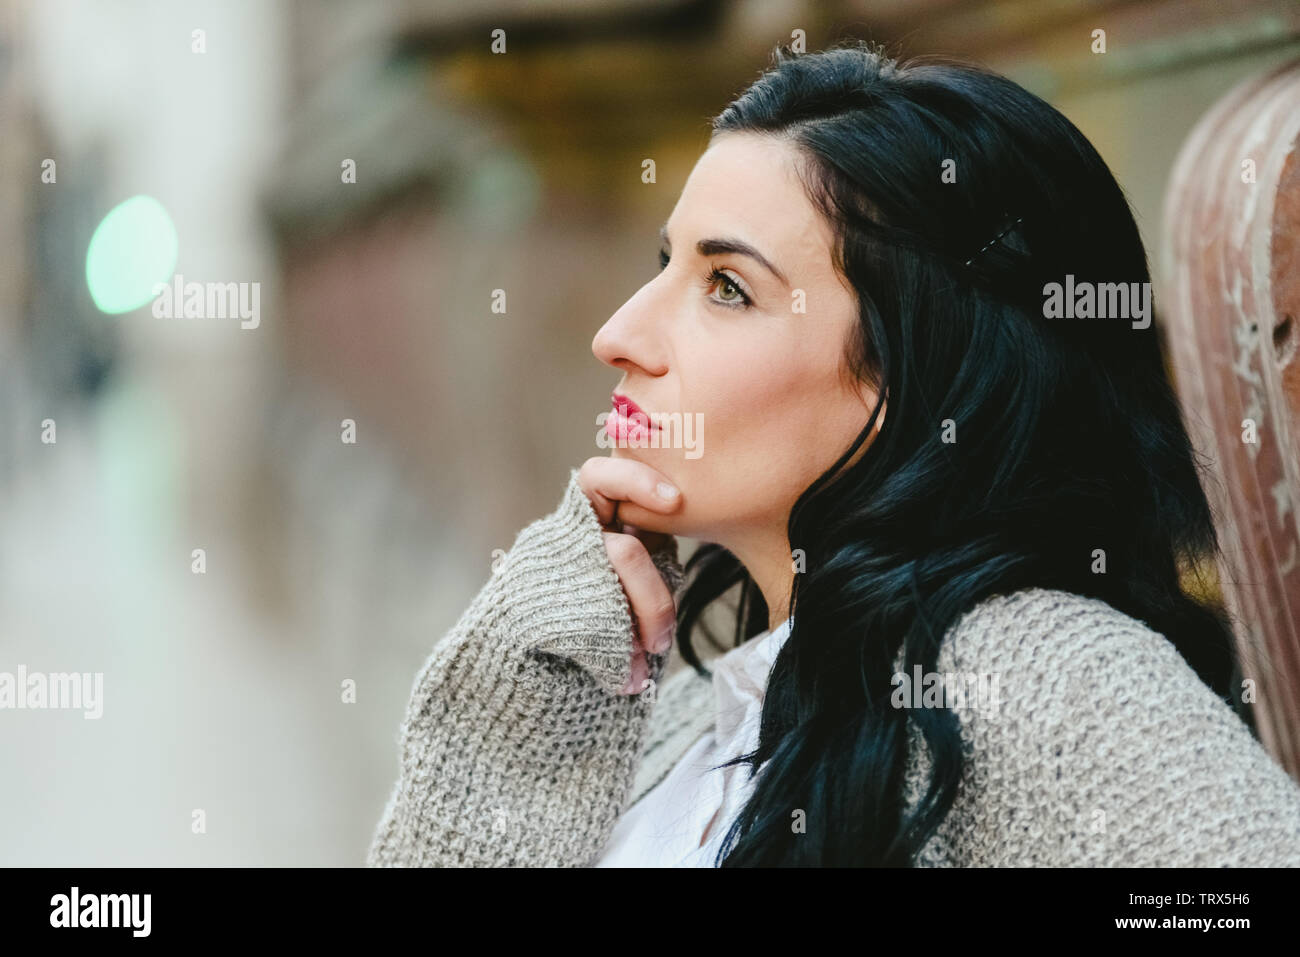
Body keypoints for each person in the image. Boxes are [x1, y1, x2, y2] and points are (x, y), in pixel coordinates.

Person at [366, 40, 1300, 867]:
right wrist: (514, 702)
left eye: (727, 287)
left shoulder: (1042, 678)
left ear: (912, 376)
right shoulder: (702, 714)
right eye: (666, 266)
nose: (618, 335)